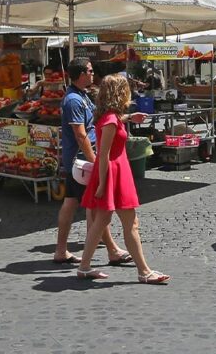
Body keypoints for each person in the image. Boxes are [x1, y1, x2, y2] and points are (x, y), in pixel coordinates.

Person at [75, 72, 168, 284]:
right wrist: (102, 186)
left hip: (111, 171)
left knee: (101, 221)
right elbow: (105, 153)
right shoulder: (110, 120)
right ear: (120, 93)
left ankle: (84, 267)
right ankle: (144, 271)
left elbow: (111, 126)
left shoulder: (109, 116)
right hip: (113, 172)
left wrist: (129, 118)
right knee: (130, 223)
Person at [54, 58, 129, 266]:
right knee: (96, 207)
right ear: (80, 74)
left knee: (71, 203)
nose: (93, 72)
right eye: (89, 70)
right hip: (81, 161)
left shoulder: (82, 96)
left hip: (78, 160)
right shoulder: (74, 100)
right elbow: (81, 135)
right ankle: (112, 251)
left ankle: (61, 250)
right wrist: (95, 161)